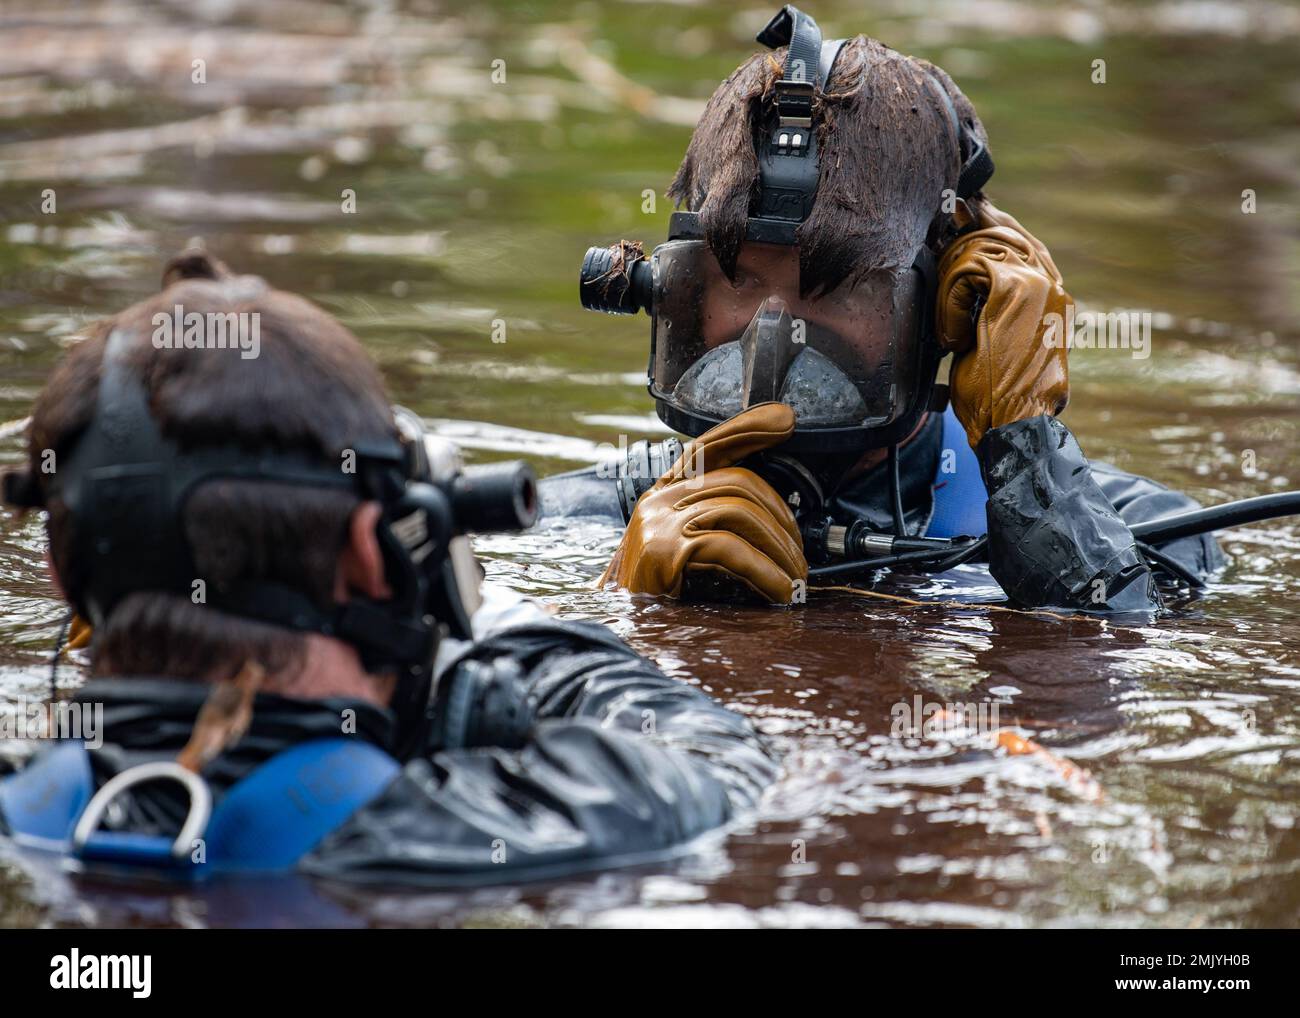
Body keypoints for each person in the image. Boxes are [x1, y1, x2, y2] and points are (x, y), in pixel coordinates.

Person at [0, 250, 776, 886]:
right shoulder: (468, 835)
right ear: (376, 560)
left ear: (62, 578)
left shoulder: (17, 816)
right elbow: (717, 761)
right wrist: (476, 664)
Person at [543, 4, 1222, 613]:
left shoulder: (1149, 534)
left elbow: (1107, 684)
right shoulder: (582, 521)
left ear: (945, 307)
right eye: (741, 281)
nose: (772, 341)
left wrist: (1026, 453)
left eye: (836, 288)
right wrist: (630, 601)